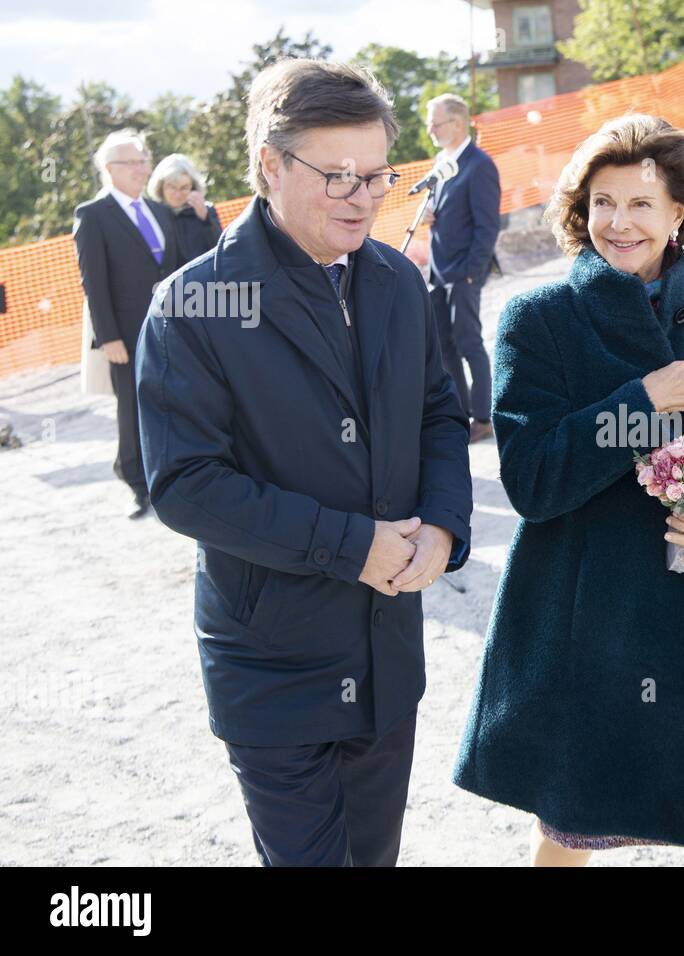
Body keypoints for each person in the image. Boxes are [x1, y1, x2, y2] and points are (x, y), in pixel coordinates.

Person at [134, 58, 474, 866]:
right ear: (269, 165)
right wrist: (351, 545)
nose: (362, 197)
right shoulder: (193, 305)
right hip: (274, 666)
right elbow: (187, 486)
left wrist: (445, 526)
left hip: (387, 655)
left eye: (377, 176)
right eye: (337, 176)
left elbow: (439, 414)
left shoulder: (395, 279)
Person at [451, 113, 684, 866]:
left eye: (641, 203)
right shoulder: (537, 319)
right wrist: (638, 406)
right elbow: (533, 481)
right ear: (580, 211)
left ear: (678, 213)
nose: (620, 222)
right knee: (570, 831)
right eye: (603, 202)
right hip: (589, 621)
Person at [72, 130, 181, 518]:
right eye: (132, 162)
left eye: (144, 160)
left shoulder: (161, 210)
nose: (142, 168)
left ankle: (171, 471)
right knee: (133, 409)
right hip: (125, 336)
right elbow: (94, 283)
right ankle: (137, 481)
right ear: (108, 168)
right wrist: (108, 338)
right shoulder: (93, 215)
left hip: (170, 329)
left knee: (172, 401)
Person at [420, 93, 501, 443]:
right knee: (444, 346)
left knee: (469, 343)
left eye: (434, 123)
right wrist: (429, 215)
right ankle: (461, 413)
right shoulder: (442, 164)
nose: (430, 130)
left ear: (456, 123)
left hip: (464, 272)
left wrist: (472, 271)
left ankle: (482, 418)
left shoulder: (479, 165)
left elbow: (488, 226)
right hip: (439, 272)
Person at [148, 153, 223, 263]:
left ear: (193, 188)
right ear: (160, 187)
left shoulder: (205, 211)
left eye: (184, 188)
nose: (177, 194)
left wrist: (205, 219)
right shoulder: (152, 214)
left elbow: (220, 250)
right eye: (172, 187)